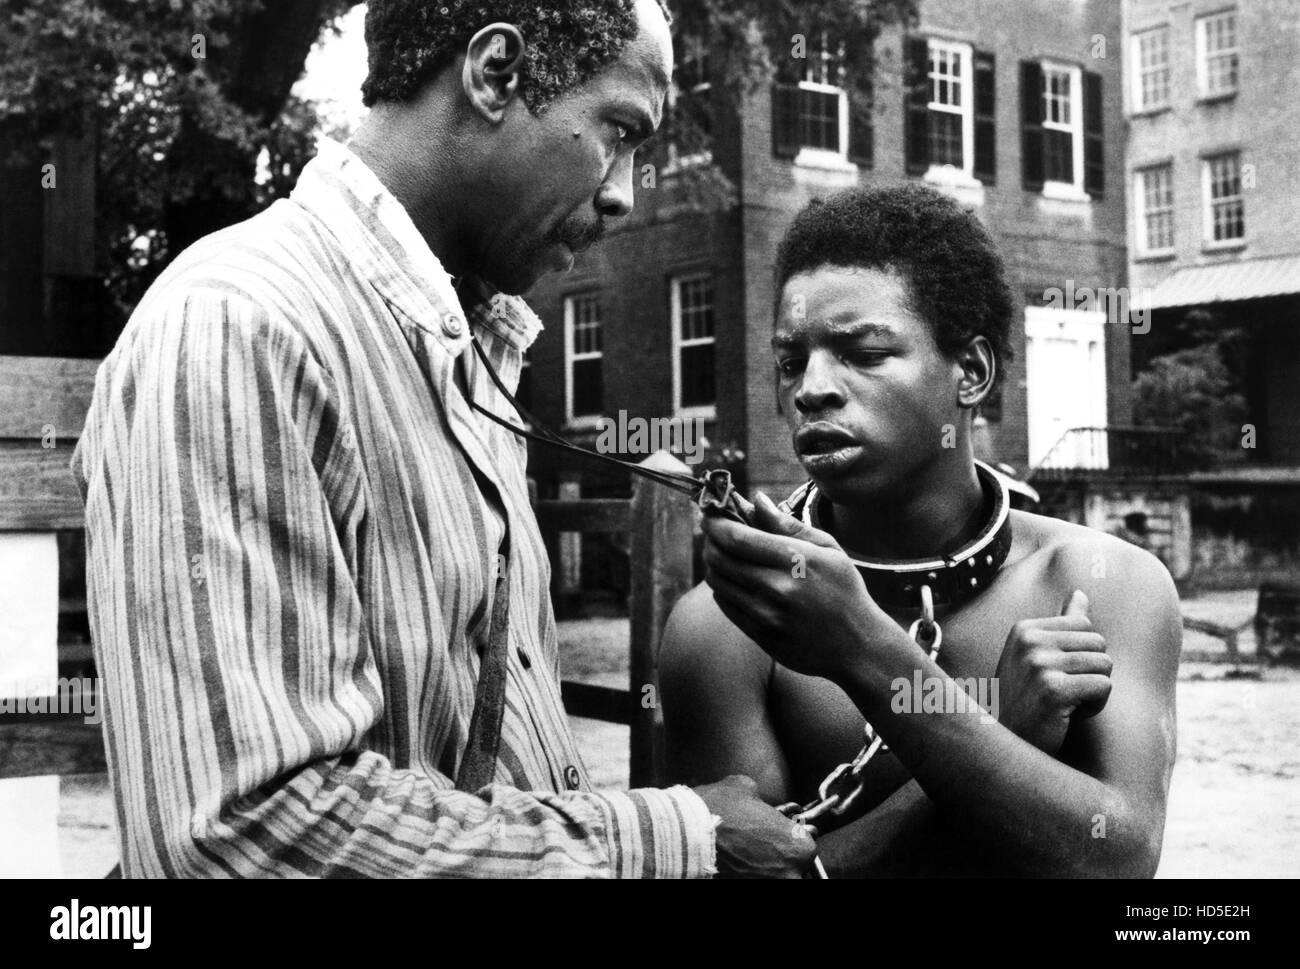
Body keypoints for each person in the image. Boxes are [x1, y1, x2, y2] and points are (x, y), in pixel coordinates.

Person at [73, 0, 813, 878]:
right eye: (618, 130)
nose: (621, 193)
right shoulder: (237, 326)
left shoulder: (470, 343)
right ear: (494, 72)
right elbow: (242, 830)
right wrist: (675, 840)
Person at [660, 185, 1180, 877]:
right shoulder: (724, 630)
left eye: (863, 352)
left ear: (971, 372)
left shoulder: (1101, 584)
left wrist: (861, 650)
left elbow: (1119, 860)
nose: (811, 387)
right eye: (791, 361)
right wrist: (994, 734)